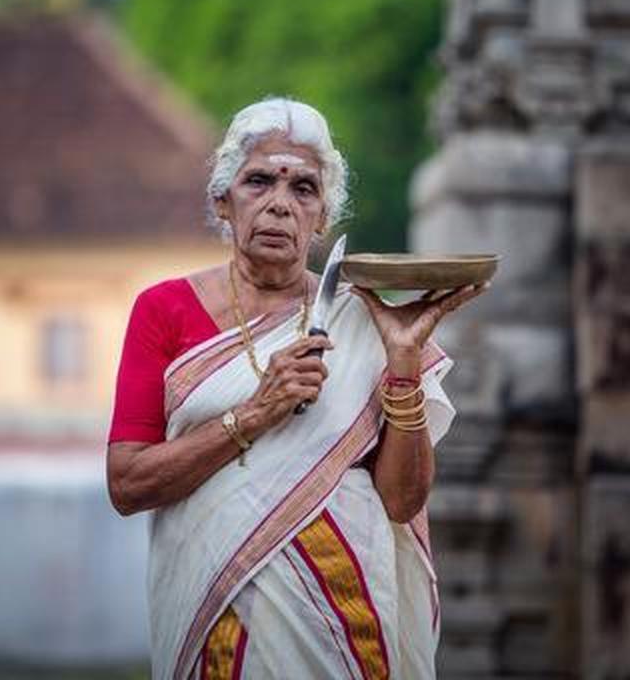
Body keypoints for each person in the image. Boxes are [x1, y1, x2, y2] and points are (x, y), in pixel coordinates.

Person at [106, 97, 487, 679]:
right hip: (217, 610)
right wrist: (259, 411)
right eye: (259, 181)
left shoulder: (360, 318)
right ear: (223, 202)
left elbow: (402, 503)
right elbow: (128, 483)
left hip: (344, 616)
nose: (280, 204)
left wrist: (404, 359)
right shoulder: (164, 311)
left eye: (303, 189)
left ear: (323, 218)